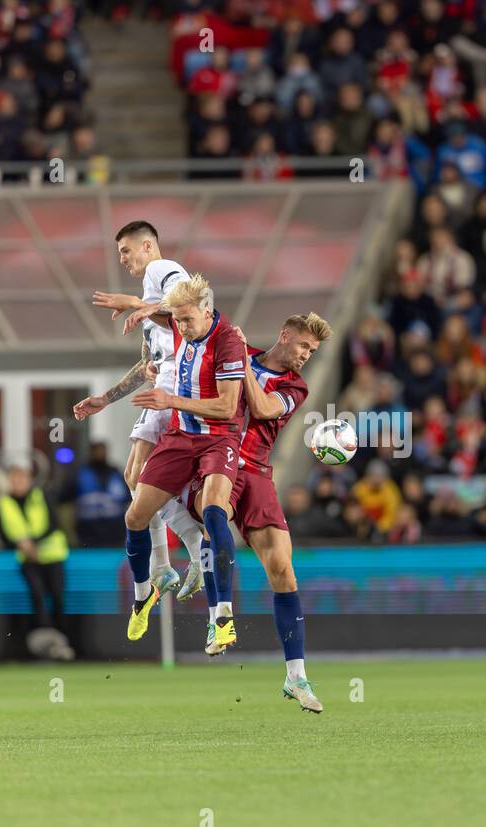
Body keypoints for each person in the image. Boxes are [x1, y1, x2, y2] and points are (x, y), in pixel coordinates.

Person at [89, 274, 245, 652]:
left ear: (207, 311)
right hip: (181, 437)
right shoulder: (180, 322)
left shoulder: (227, 342)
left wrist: (170, 401)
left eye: (188, 320)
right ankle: (144, 593)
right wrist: (132, 303)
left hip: (218, 438)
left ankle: (221, 617)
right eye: (177, 320)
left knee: (212, 513)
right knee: (134, 516)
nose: (182, 327)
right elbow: (158, 315)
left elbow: (226, 407)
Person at [185, 313, 331, 710]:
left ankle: (296, 677)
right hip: (219, 460)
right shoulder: (239, 353)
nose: (306, 355)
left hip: (258, 473)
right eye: (303, 346)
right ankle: (220, 616)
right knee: (216, 521)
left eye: (313, 351)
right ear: (285, 335)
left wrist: (241, 365)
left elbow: (265, 408)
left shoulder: (295, 386)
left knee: (283, 570)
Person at [75, 221, 209, 613]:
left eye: (126, 250)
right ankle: (168, 562)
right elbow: (148, 363)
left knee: (139, 476)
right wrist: (106, 398)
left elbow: (191, 302)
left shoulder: (161, 270)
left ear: (148, 245)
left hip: (178, 387)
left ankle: (190, 548)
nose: (123, 259)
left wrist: (137, 305)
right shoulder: (152, 298)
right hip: (169, 381)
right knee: (137, 477)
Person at [0, 462, 73, 659]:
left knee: (57, 596)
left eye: (21, 478)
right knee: (37, 596)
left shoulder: (42, 496)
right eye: (14, 479)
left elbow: (53, 524)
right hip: (28, 560)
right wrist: (22, 546)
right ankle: (46, 644)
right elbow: (4, 535)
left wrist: (32, 543)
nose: (18, 483)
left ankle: (65, 640)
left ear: (29, 480)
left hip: (53, 556)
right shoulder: (3, 503)